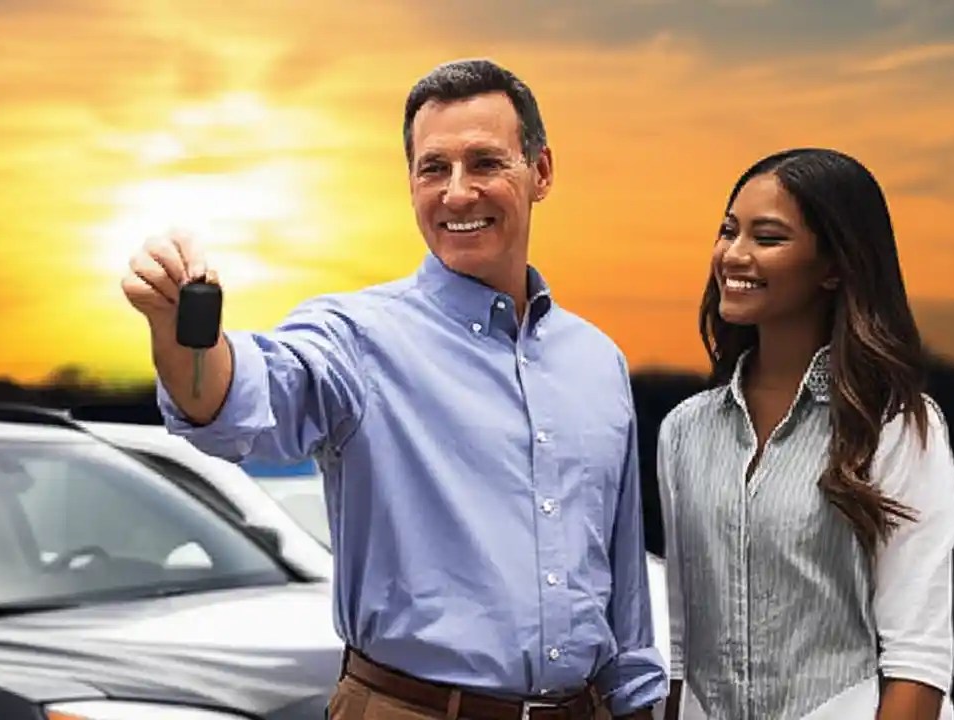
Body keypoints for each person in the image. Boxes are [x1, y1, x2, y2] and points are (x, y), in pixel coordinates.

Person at [122, 58, 665, 720]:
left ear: (541, 171)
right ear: (410, 183)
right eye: (434, 168)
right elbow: (233, 406)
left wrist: (636, 702)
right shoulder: (354, 339)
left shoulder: (597, 362)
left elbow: (624, 595)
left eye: (485, 163)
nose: (457, 193)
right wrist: (181, 335)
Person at [657, 148, 954, 720]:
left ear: (834, 267)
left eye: (768, 238)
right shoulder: (684, 431)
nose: (734, 254)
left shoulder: (893, 426)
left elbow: (918, 663)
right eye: (728, 231)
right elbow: (679, 647)